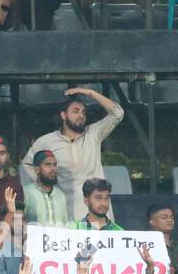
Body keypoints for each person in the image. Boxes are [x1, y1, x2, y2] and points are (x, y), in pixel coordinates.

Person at [19, 88, 124, 221]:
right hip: (66, 212)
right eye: (75, 111)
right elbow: (26, 164)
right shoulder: (47, 141)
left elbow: (118, 113)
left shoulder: (93, 134)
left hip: (98, 212)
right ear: (63, 115)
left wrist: (90, 93)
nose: (81, 115)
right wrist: (43, 186)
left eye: (83, 112)